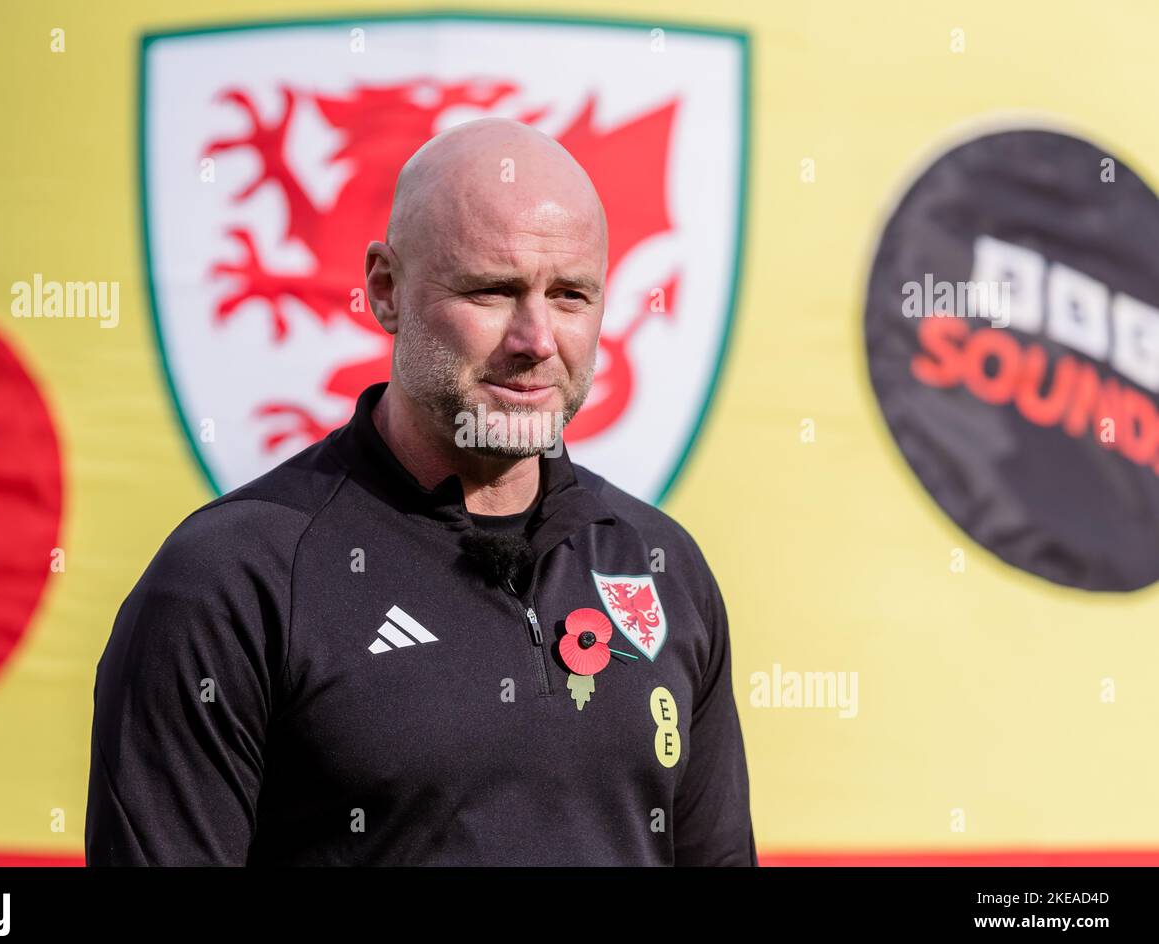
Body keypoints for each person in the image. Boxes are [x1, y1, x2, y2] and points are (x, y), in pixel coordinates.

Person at [85, 117, 756, 865]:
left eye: (570, 295)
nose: (536, 339)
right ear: (385, 289)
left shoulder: (660, 566)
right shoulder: (231, 580)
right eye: (493, 290)